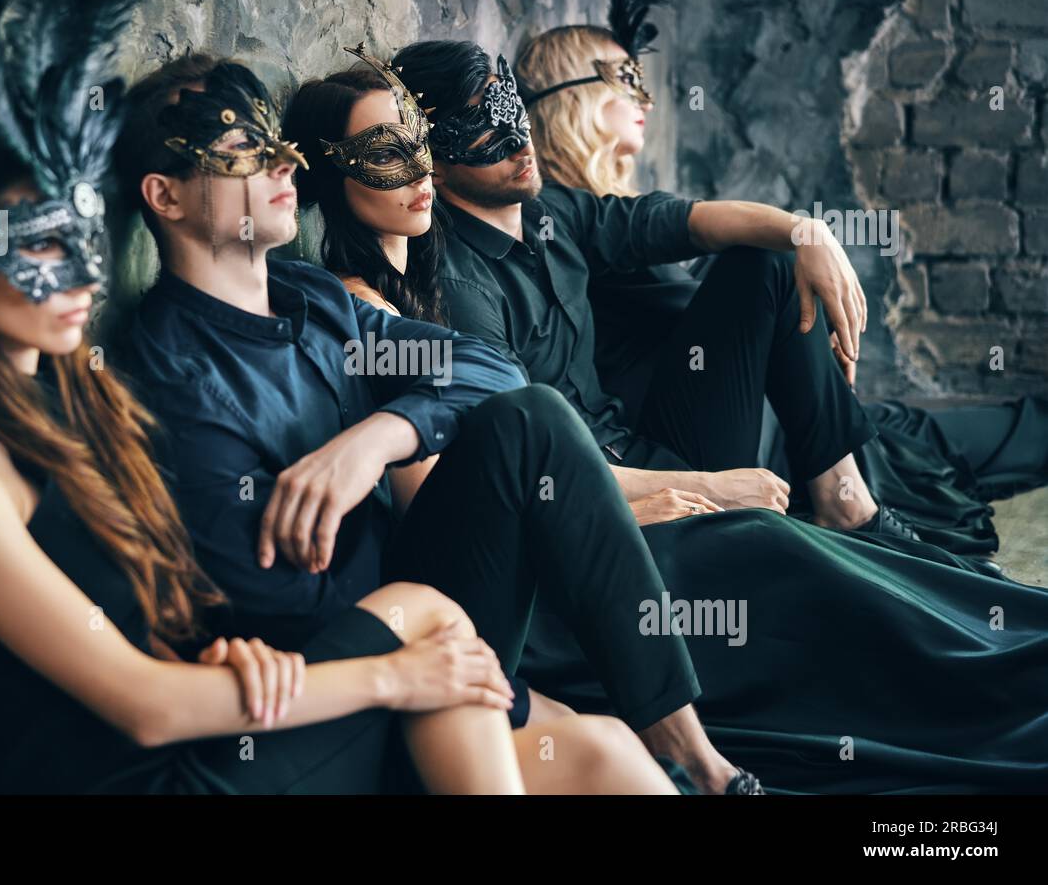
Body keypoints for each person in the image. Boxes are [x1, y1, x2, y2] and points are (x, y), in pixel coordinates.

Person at [0, 0, 666, 797]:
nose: (79, 275)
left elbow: (165, 618)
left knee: (603, 746)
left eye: (81, 237)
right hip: (161, 772)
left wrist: (229, 647)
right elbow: (143, 704)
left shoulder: (91, 402)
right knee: (429, 621)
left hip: (234, 706)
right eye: (38, 244)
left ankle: (698, 757)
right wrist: (393, 675)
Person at [281, 41, 1048, 793]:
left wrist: (803, 229)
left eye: (418, 144)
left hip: (617, 478)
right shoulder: (378, 304)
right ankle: (981, 683)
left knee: (810, 531)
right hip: (555, 557)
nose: (513, 139)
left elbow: (678, 223)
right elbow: (466, 493)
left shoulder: (527, 226)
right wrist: (688, 493)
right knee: (784, 561)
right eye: (394, 153)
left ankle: (952, 607)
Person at [109, 50, 768, 794]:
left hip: (427, 604)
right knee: (596, 749)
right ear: (164, 197)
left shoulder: (312, 299)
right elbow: (273, 602)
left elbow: (494, 370)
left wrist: (376, 438)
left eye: (275, 145)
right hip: (333, 677)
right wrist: (449, 673)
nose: (279, 167)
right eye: (241, 155)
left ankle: (693, 752)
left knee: (532, 419)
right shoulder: (171, 375)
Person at [513, 0, 1048, 558]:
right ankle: (846, 504)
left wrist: (798, 347)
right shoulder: (560, 226)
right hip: (726, 451)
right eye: (623, 75)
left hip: (777, 428)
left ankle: (848, 484)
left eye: (643, 78)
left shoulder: (614, 214)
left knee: (989, 429)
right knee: (955, 433)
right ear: (568, 94)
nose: (643, 95)